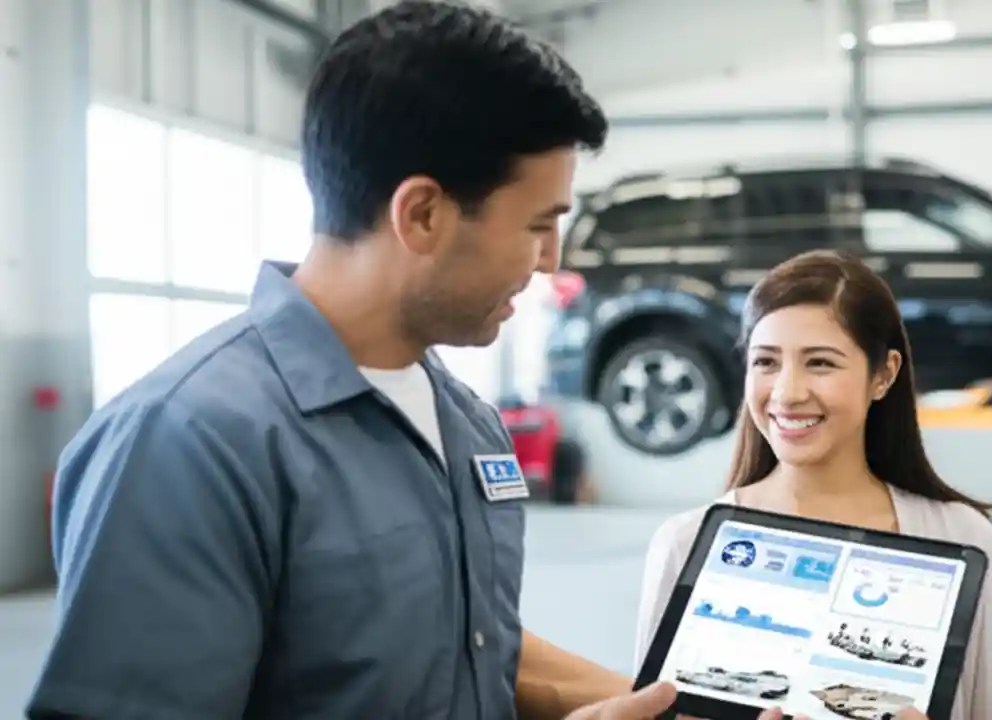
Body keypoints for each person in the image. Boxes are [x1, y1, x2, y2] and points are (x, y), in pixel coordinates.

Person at [22, 3, 781, 719]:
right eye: (538, 225)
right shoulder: (190, 444)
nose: (550, 262)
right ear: (421, 214)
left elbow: (468, 653)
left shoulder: (466, 423)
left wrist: (670, 706)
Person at [633, 250, 992, 720]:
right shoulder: (684, 544)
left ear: (884, 374)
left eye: (819, 363)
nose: (788, 393)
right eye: (766, 362)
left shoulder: (961, 538)